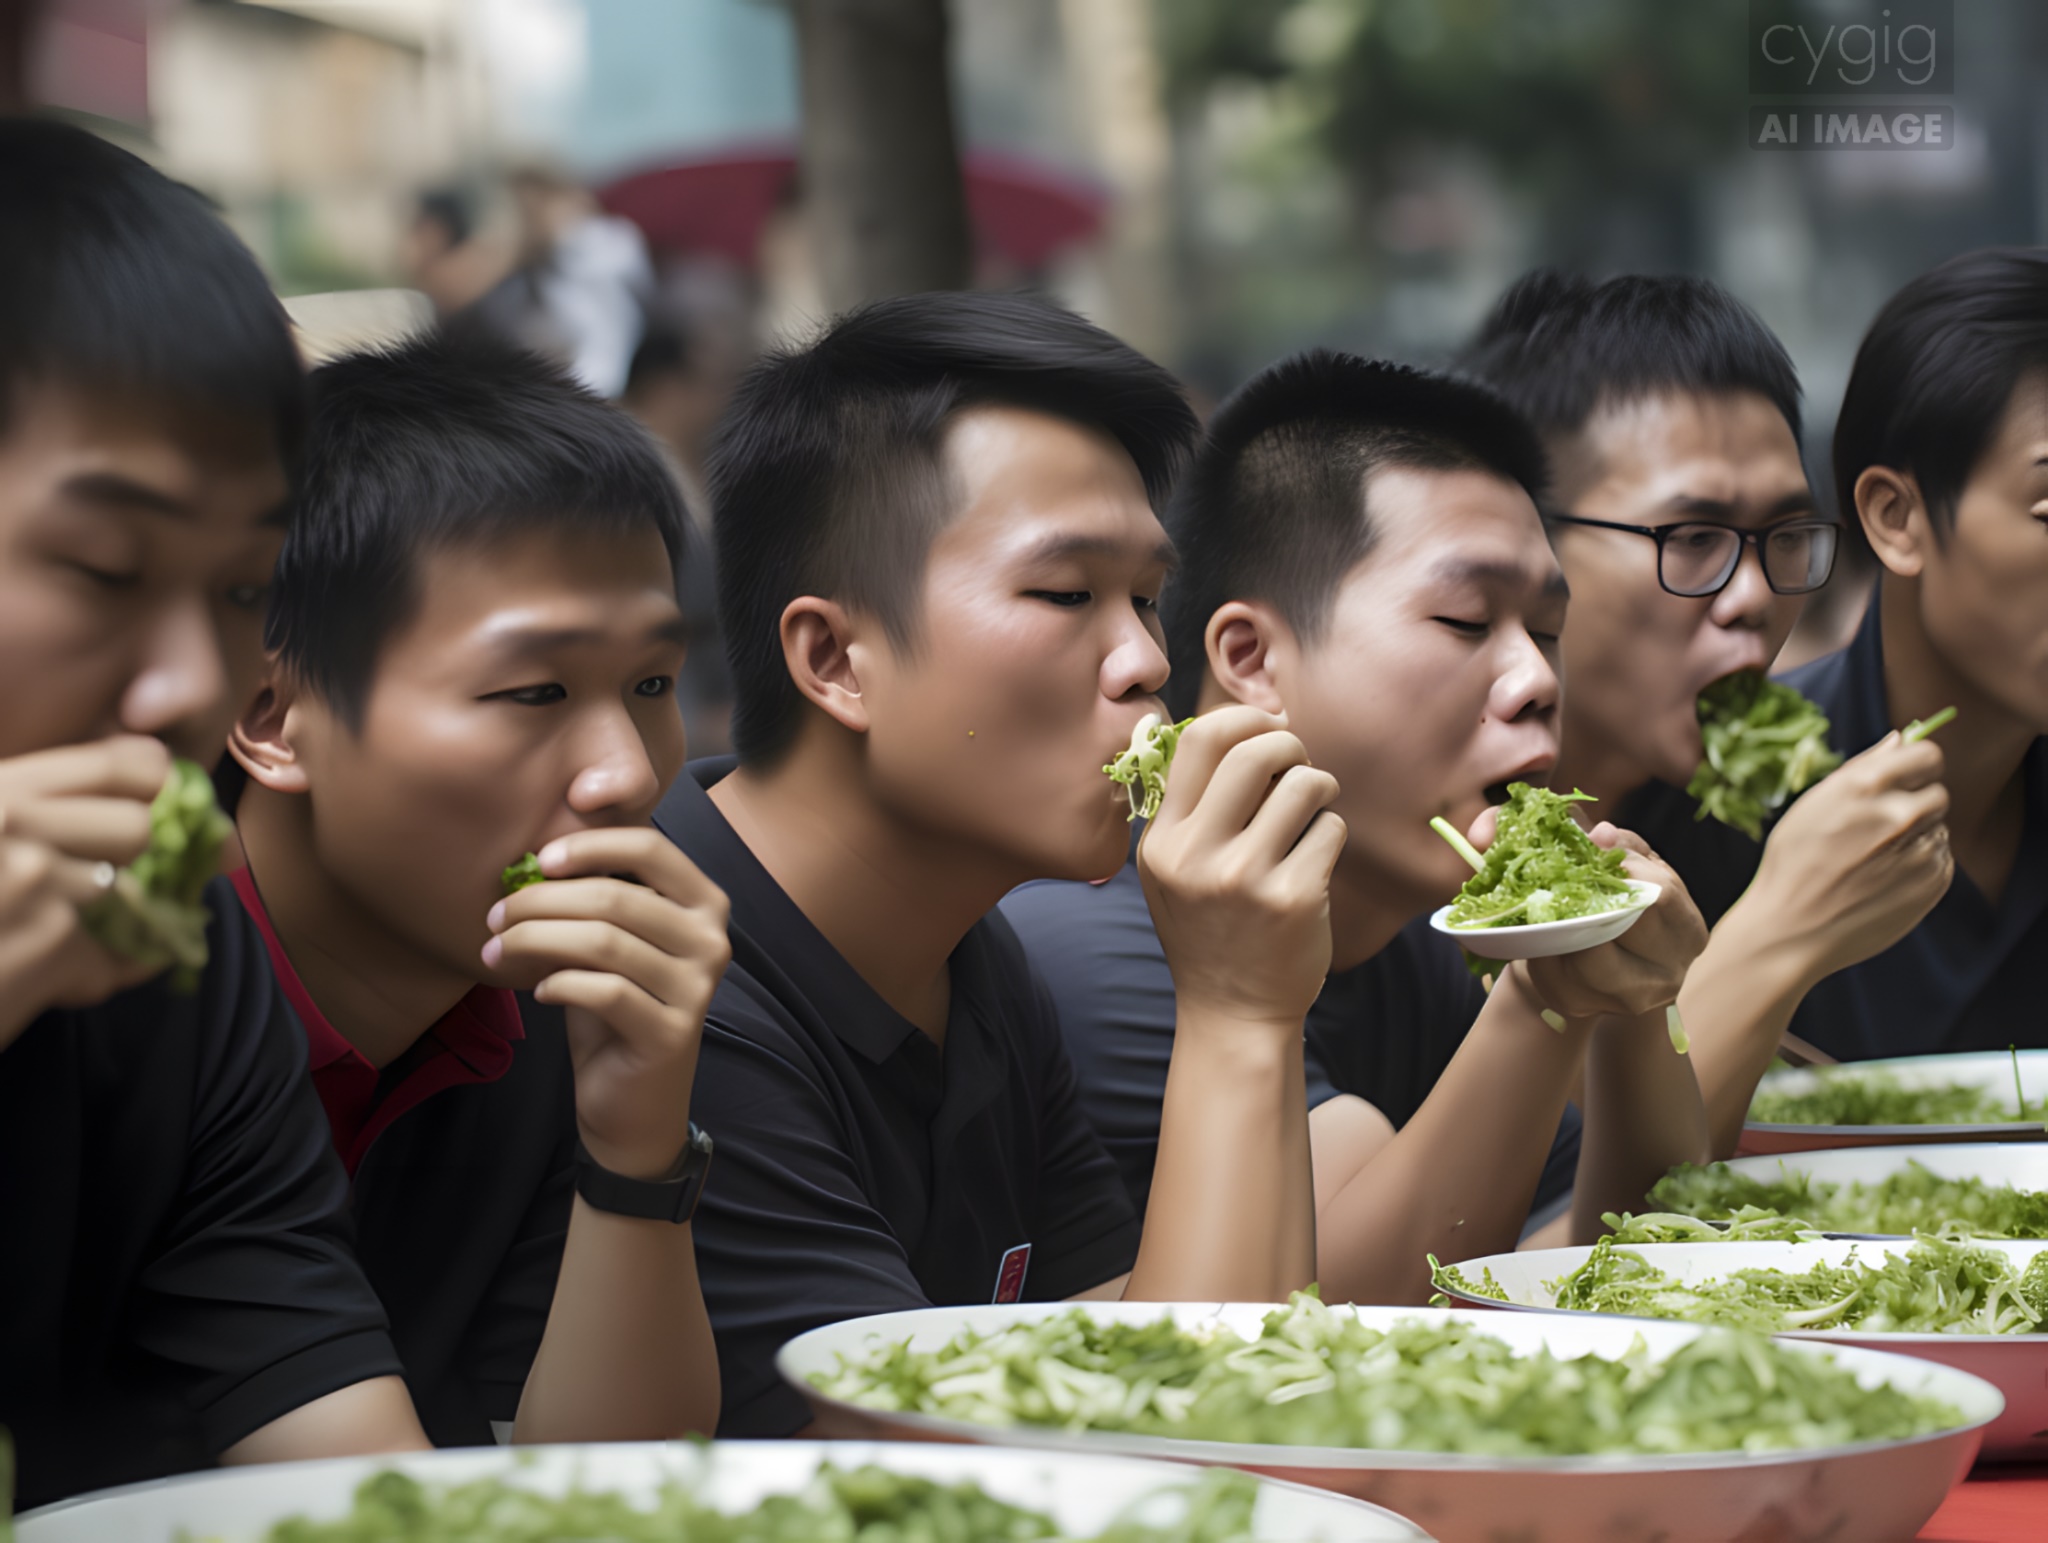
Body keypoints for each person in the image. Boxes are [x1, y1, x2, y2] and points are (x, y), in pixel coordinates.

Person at [657, 291, 1345, 1436]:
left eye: (1143, 599)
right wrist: (1235, 1010)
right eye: (1067, 593)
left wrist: (1256, 1009)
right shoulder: (685, 992)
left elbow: (1135, 1335)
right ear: (834, 657)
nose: (1139, 662)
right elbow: (1140, 1478)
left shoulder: (974, 956)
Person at [1003, 352, 1711, 1302]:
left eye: (1545, 633)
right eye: (1465, 619)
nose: (1538, 680)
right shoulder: (1106, 935)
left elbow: (1610, 1271)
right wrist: (1545, 991)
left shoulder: (1406, 939)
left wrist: (1627, 1000)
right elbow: (1339, 1322)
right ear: (1251, 658)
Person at [0, 117, 426, 1508]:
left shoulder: (183, 954)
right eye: (104, 564)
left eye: (245, 589)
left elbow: (345, 1468)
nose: (193, 685)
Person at [224, 335, 728, 1447]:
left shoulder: (575, 1015)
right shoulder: (121, 1007)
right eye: (533, 688)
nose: (629, 774)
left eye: (652, 680)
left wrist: (636, 1141)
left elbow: (607, 1503)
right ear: (271, 717)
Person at [1463, 271, 1952, 1152]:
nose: (1755, 596)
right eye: (1693, 540)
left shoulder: (1733, 819)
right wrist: (1786, 926)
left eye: (1784, 538)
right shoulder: (1423, 845)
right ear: (1522, 544)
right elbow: (1585, 1216)